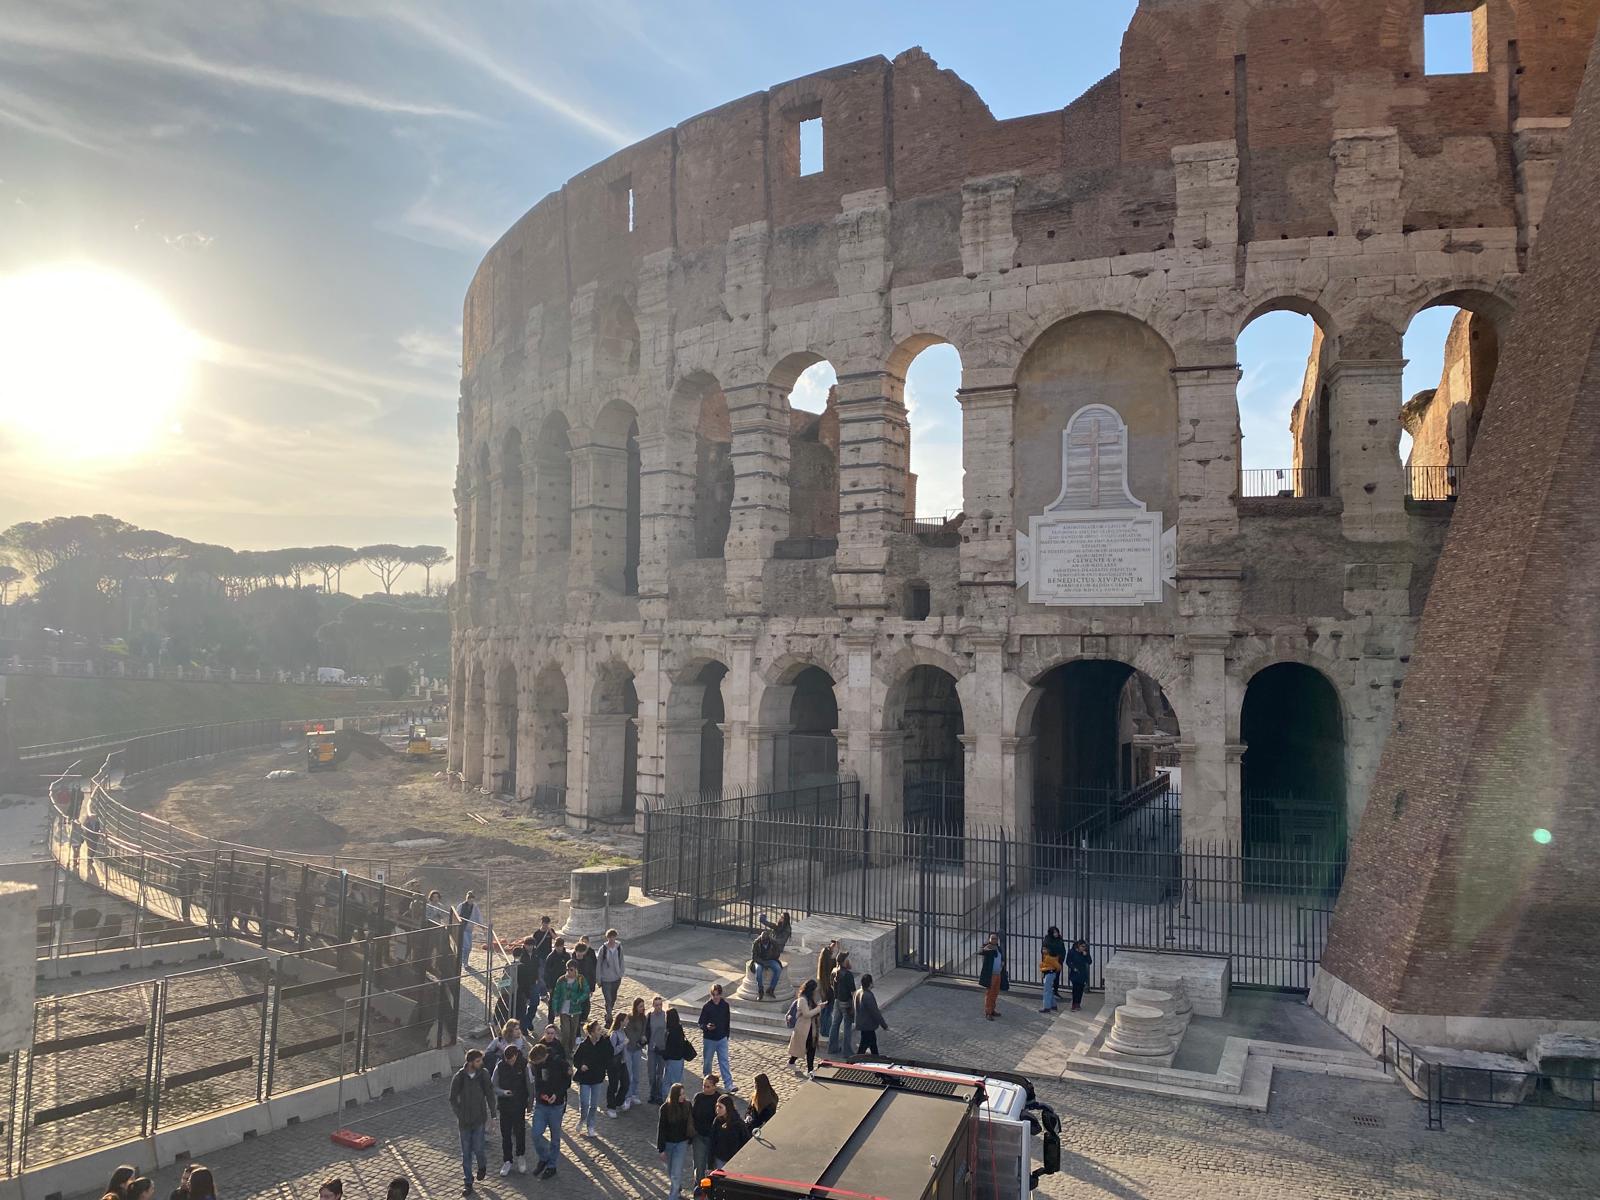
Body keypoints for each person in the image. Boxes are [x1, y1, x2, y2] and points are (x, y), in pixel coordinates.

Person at [450, 1050, 496, 1195]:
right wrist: (460, 1114)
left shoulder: (483, 1074)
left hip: (478, 1120)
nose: (481, 1063)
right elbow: (452, 1098)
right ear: (470, 1062)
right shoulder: (459, 1077)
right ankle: (468, 1183)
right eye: (478, 1061)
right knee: (466, 1154)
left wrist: (493, 1116)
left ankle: (482, 1166)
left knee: (479, 1149)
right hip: (464, 1123)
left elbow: (489, 1094)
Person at [529, 1042, 570, 1180]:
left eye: (537, 1062)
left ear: (543, 1056)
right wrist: (541, 1094)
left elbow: (567, 1082)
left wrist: (556, 1095)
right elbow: (538, 1083)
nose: (536, 1064)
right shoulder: (537, 1064)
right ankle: (544, 1158)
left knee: (555, 1138)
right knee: (535, 1133)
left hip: (556, 1106)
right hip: (541, 1104)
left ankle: (552, 1166)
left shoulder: (559, 1062)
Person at [492, 1041, 531, 1175]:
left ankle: (521, 1156)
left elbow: (530, 1084)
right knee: (506, 1134)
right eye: (507, 1059)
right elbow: (493, 1085)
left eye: (512, 1059)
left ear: (516, 1055)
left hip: (519, 1105)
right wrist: (502, 1092)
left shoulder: (524, 1065)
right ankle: (507, 1160)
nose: (509, 1062)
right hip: (505, 1106)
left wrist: (530, 1103)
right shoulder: (500, 1066)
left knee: (520, 1132)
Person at [657, 1082, 695, 1200]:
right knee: (670, 1170)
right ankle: (677, 1189)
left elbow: (691, 1122)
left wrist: (690, 1139)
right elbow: (661, 1128)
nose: (683, 1097)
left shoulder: (688, 1105)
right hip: (668, 1143)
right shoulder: (665, 1108)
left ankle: (673, 1197)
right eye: (680, 1095)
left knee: (676, 1172)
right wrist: (661, 1149)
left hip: (681, 1143)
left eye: (683, 1094)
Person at [573, 1019, 611, 1137]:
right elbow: (576, 1060)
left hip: (597, 1078)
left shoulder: (604, 1043)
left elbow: (610, 1054)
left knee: (594, 1105)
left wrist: (607, 1038)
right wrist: (581, 1066)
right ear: (592, 1033)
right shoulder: (584, 1045)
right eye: (598, 1030)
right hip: (585, 1078)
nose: (600, 1031)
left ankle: (590, 1126)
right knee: (584, 1103)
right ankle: (582, 1119)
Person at [698, 984, 735, 1091]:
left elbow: (727, 1021)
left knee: (724, 1061)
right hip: (709, 1039)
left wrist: (726, 1035)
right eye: (713, 995)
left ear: (720, 994)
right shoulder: (707, 1006)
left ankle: (728, 1084)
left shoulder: (725, 1005)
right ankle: (707, 1081)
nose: (715, 997)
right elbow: (700, 1023)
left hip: (722, 1038)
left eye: (717, 994)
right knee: (708, 1061)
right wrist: (706, 1027)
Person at [785, 978, 824, 1076]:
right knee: (806, 1048)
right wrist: (819, 1008)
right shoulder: (802, 1000)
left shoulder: (809, 999)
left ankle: (793, 1064)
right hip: (803, 1028)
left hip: (810, 1027)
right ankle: (809, 1069)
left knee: (808, 1048)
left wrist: (819, 1006)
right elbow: (807, 1014)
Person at [551, 961, 590, 1054]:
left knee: (573, 1032)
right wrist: (555, 1008)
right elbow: (556, 995)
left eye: (571, 970)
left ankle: (570, 1050)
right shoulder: (561, 980)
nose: (569, 972)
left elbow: (586, 991)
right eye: (567, 969)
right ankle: (564, 1051)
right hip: (563, 1009)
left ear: (576, 970)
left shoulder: (581, 979)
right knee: (566, 1032)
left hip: (575, 1009)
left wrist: (578, 999)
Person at [689, 1074, 721, 1186]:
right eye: (704, 1086)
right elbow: (693, 1114)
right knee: (699, 1164)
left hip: (712, 1138)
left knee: (711, 1165)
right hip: (699, 1135)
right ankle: (698, 1188)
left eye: (708, 1086)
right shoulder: (699, 1097)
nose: (705, 1089)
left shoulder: (718, 1099)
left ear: (714, 1087)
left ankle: (709, 1189)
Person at [708, 1094, 749, 1169]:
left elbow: (746, 1142)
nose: (717, 1109)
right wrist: (710, 1164)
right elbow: (712, 1141)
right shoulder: (717, 1121)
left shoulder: (738, 1124)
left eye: (720, 1107)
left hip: (735, 1160)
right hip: (720, 1159)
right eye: (717, 1106)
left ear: (727, 1108)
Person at [827, 952, 856, 1057]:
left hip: (837, 1001)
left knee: (835, 1025)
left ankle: (832, 1048)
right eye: (848, 959)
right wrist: (854, 1006)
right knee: (847, 1027)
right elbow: (853, 993)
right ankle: (847, 1051)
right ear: (844, 961)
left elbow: (831, 985)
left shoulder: (834, 972)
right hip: (846, 1003)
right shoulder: (848, 975)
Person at [662, 1006, 695, 1095]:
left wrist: (659, 1051)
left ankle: (670, 1100)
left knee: (669, 1082)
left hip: (673, 1060)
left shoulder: (671, 1032)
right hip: (679, 1059)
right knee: (676, 1080)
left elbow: (669, 1049)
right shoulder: (679, 1027)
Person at [855, 974, 888, 1057]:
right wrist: (884, 1025)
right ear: (870, 984)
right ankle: (855, 1062)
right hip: (868, 1025)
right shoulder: (868, 996)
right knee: (864, 1046)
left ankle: (876, 1058)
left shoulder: (858, 992)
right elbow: (875, 1012)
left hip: (862, 1023)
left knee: (872, 1043)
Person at [597, 929, 626, 1022]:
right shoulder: (603, 949)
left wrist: (621, 973)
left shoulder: (619, 947)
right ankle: (609, 1016)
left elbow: (622, 960)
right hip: (606, 979)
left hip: (616, 978)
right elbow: (599, 964)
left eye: (613, 937)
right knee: (608, 998)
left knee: (613, 997)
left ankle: (609, 1011)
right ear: (607, 937)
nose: (612, 939)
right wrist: (598, 978)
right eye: (610, 937)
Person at [625, 996, 649, 1108]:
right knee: (629, 1074)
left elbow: (643, 1032)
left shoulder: (644, 1018)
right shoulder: (629, 1018)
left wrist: (643, 1038)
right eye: (640, 1006)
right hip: (628, 1049)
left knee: (636, 1074)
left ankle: (634, 1094)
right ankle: (628, 1096)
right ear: (635, 1007)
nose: (642, 1008)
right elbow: (627, 1032)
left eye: (643, 1006)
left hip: (637, 1049)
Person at [646, 994, 670, 1103]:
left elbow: (668, 1031)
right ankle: (652, 1093)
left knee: (660, 1074)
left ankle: (659, 1095)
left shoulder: (666, 1016)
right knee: (651, 1074)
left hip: (662, 1048)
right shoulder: (649, 1016)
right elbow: (646, 1030)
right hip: (651, 1048)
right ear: (653, 1005)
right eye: (656, 1005)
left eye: (660, 1005)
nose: (658, 1007)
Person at [606, 1012, 631, 1117]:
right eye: (626, 1019)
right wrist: (623, 1044)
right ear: (621, 1021)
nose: (628, 1021)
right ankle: (611, 1107)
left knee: (626, 1083)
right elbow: (613, 1051)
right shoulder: (614, 1034)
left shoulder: (623, 1032)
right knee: (613, 1085)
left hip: (622, 1063)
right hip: (614, 1064)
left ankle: (618, 1102)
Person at [514, 941, 542, 1029]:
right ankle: (523, 1026)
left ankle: (528, 1021)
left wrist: (537, 978)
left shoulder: (536, 954)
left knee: (535, 1003)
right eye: (528, 945)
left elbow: (538, 967)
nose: (530, 947)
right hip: (523, 984)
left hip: (534, 983)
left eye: (531, 945)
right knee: (523, 1006)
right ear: (525, 945)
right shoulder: (520, 954)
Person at [979, 933, 1005, 1021]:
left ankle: (992, 1009)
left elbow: (1001, 958)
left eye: (995, 938)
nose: (994, 940)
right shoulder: (988, 947)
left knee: (995, 992)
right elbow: (981, 952)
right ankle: (988, 1012)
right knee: (989, 993)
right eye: (992, 938)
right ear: (989, 939)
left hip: (998, 973)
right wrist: (987, 947)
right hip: (991, 974)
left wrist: (1002, 963)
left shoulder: (998, 948)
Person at [815, 940, 838, 1041]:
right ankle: (826, 1031)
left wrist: (831, 949)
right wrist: (836, 951)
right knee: (828, 1010)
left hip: (824, 988)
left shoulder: (822, 966)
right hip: (829, 989)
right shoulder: (829, 965)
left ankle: (822, 1029)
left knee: (825, 1009)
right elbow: (834, 963)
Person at [749, 927, 781, 1000]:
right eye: (763, 941)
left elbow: (777, 953)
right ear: (761, 939)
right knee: (758, 970)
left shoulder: (773, 942)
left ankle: (771, 989)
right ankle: (760, 990)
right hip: (759, 961)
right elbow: (754, 957)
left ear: (768, 939)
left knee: (778, 969)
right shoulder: (756, 943)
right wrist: (763, 963)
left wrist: (771, 957)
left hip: (770, 960)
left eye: (766, 941)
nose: (764, 942)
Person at [542, 936, 570, 1020]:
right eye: (557, 946)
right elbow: (546, 973)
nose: (559, 948)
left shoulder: (567, 956)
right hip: (554, 984)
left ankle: (564, 1020)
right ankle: (551, 1020)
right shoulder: (550, 957)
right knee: (553, 1003)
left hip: (565, 984)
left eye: (560, 946)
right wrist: (548, 986)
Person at [1040, 927, 1066, 1014]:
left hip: (1051, 971)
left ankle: (1047, 1007)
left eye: (1056, 932)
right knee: (1049, 989)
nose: (1056, 934)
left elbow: (1058, 965)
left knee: (1047, 990)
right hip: (1048, 971)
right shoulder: (1048, 942)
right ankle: (1054, 1005)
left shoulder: (1052, 957)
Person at [1065, 938, 1093, 1012]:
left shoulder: (1085, 952)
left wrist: (1086, 955)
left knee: (1080, 989)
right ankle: (1074, 1004)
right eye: (1082, 946)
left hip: (1082, 973)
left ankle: (1078, 1003)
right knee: (1075, 989)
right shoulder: (1072, 952)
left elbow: (1090, 962)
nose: (1083, 948)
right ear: (1078, 946)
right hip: (1075, 973)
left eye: (1084, 946)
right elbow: (1068, 961)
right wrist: (1073, 967)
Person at [457, 891, 482, 965]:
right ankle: (463, 961)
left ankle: (465, 961)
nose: (471, 900)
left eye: (472, 899)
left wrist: (481, 925)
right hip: (462, 928)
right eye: (469, 898)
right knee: (466, 946)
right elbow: (457, 915)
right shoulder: (461, 905)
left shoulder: (475, 907)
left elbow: (478, 916)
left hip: (469, 929)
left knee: (469, 947)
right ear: (467, 899)